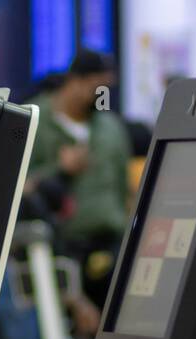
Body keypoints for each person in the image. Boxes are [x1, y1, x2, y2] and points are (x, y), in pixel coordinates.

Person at [27, 50, 131, 309]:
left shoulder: (110, 127)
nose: (103, 94)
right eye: (98, 87)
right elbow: (18, 185)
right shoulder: (34, 120)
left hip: (111, 247)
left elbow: (123, 186)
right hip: (60, 250)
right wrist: (60, 169)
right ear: (75, 82)